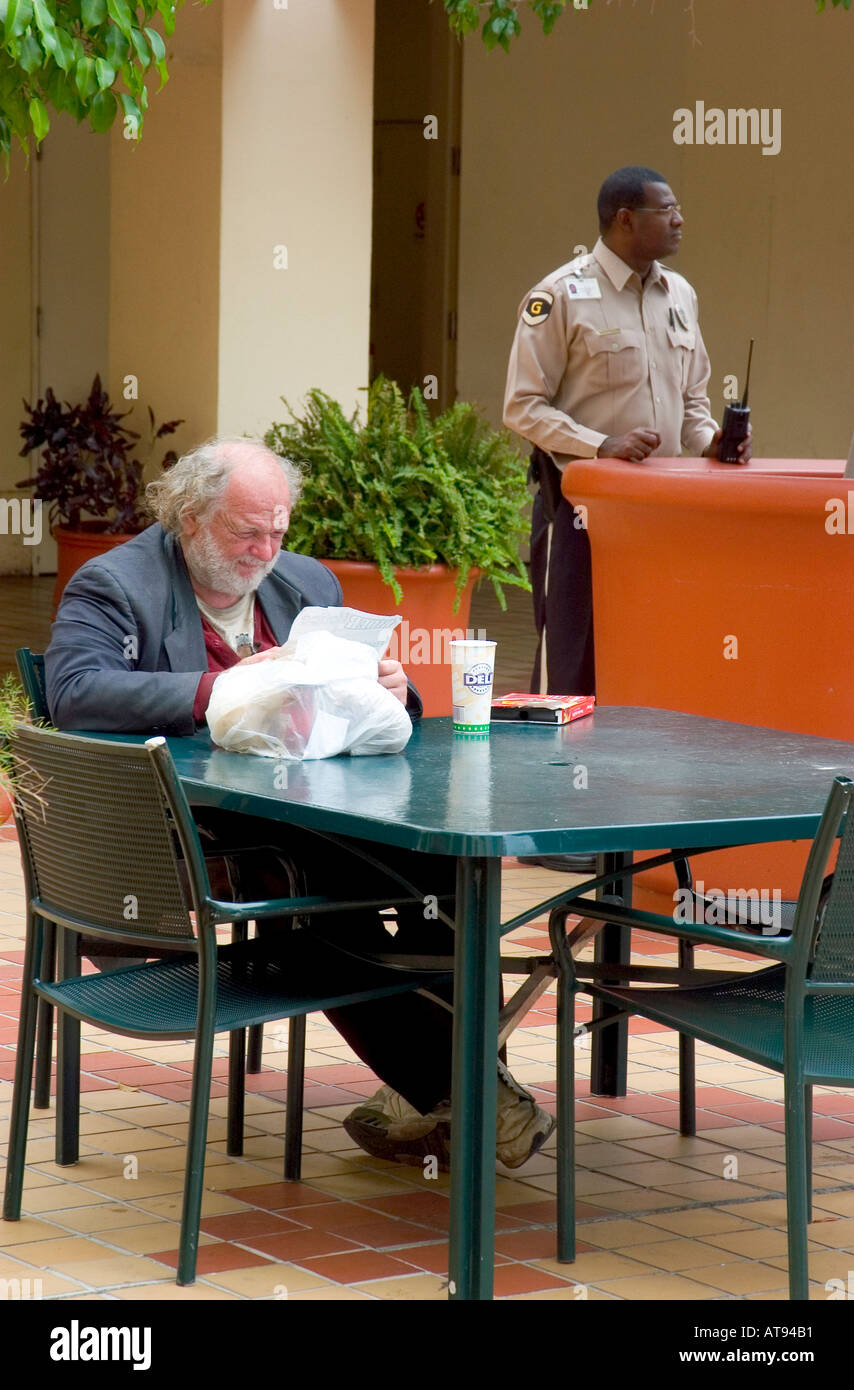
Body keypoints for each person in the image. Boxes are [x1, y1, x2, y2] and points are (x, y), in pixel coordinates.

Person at [45, 436, 553, 1169]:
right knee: (321, 896)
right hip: (197, 834)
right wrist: (226, 687)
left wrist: (394, 692)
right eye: (246, 532)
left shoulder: (307, 584)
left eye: (278, 532)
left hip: (311, 808)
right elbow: (76, 693)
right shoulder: (116, 585)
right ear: (189, 518)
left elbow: (362, 702)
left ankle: (427, 1093)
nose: (265, 551)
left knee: (435, 868)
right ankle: (462, 1092)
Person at [503, 165, 751, 872]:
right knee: (574, 667)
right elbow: (522, 406)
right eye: (665, 210)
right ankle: (555, 834)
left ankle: (624, 823)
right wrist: (598, 445)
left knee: (645, 668)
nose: (680, 222)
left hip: (662, 526)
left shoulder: (681, 295)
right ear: (622, 219)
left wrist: (718, 445)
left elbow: (695, 407)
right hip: (579, 516)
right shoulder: (560, 296)